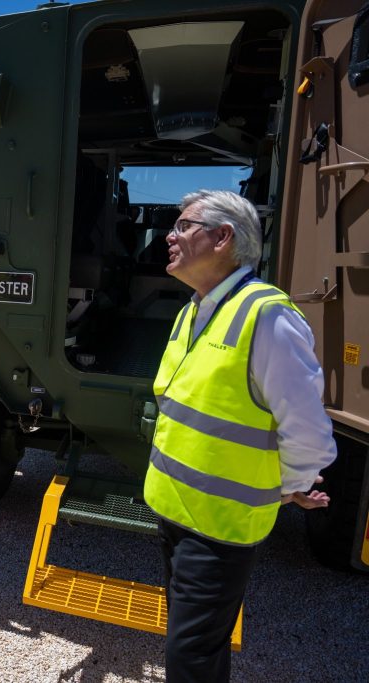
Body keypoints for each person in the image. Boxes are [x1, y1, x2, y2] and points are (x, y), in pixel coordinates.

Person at [144, 190, 336, 682]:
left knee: (191, 657)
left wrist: (288, 485)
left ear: (222, 237)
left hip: (220, 531)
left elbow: (309, 432)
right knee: (194, 647)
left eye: (183, 226)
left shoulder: (267, 316)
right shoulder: (195, 309)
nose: (169, 236)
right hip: (175, 513)